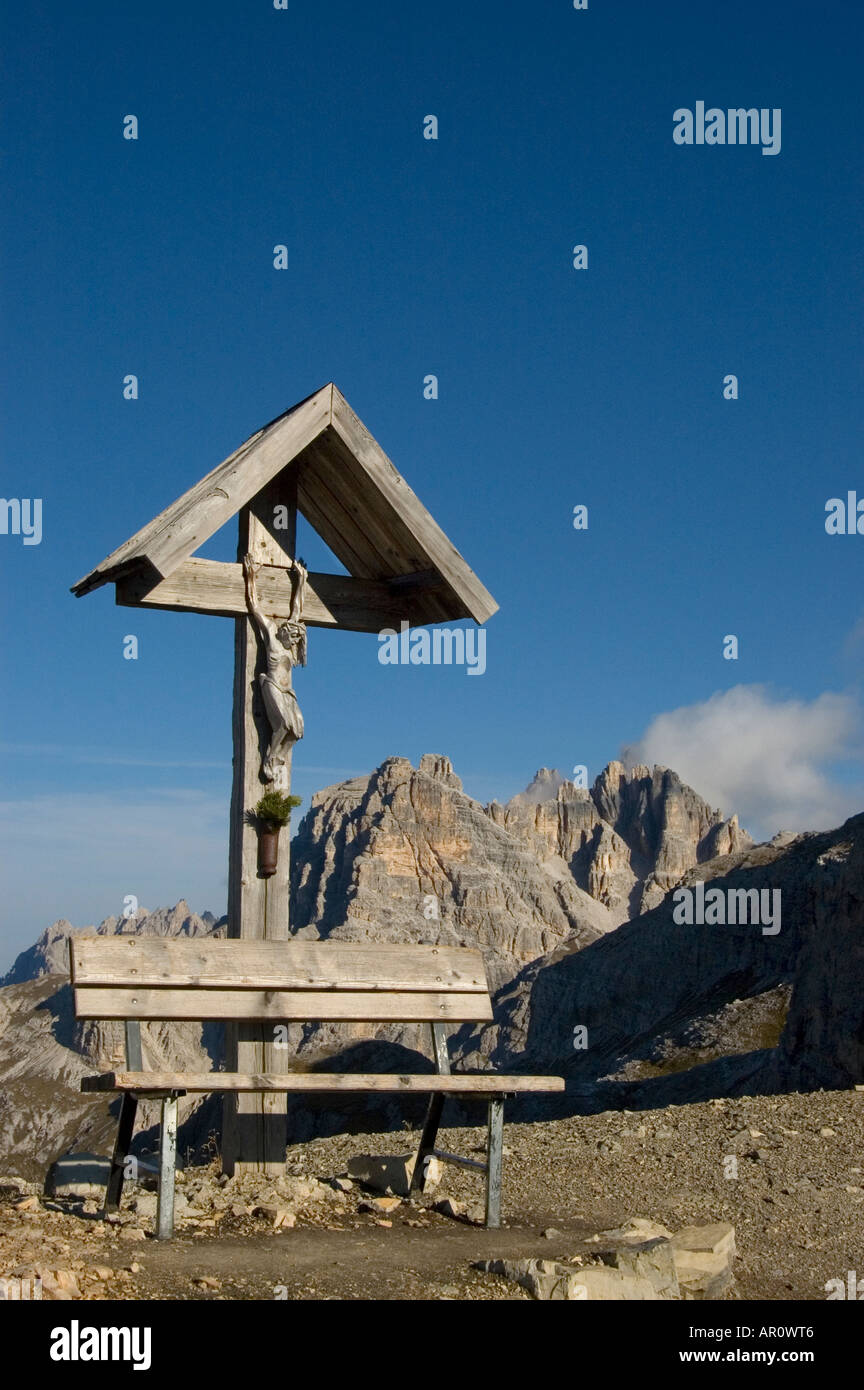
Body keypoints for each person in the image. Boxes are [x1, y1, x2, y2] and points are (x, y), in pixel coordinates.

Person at [242, 553, 307, 784]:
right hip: (271, 685)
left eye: (296, 639)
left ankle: (277, 757)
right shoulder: (272, 634)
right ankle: (269, 756)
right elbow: (254, 606)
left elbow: (297, 609)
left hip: (288, 693)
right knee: (283, 724)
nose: (293, 642)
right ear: (284, 632)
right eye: (291, 636)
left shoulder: (290, 641)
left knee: (297, 730)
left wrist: (301, 581)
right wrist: (251, 576)